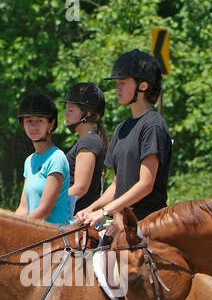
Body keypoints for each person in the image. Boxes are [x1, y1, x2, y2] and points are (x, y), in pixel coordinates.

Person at [73, 50, 171, 227]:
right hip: (121, 223)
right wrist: (92, 208)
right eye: (116, 83)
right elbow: (117, 185)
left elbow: (146, 184)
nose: (117, 88)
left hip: (146, 225)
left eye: (123, 83)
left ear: (143, 86)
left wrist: (104, 212)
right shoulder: (122, 128)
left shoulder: (153, 125)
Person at [14, 93, 73, 225]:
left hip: (54, 236)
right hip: (34, 231)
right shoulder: (29, 161)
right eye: (29, 121)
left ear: (50, 124)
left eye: (39, 121)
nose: (34, 127)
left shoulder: (56, 158)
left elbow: (44, 210)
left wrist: (16, 227)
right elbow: (23, 208)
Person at [62, 82, 108, 215]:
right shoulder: (89, 140)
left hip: (77, 219)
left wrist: (50, 203)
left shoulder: (88, 142)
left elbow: (80, 187)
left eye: (71, 110)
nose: (65, 114)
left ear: (87, 113)